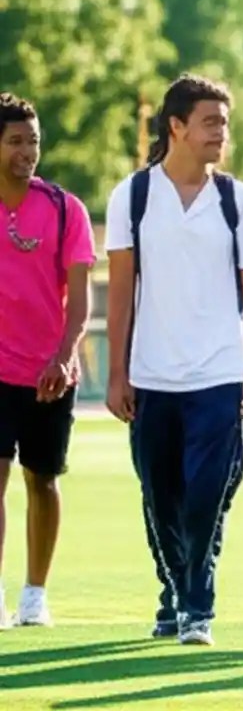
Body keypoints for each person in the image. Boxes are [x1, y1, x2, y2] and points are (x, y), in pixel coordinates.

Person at [104, 74, 243, 646]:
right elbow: (122, 291)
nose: (220, 133)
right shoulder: (130, 196)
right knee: (160, 497)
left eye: (224, 123)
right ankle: (174, 591)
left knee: (207, 495)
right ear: (176, 126)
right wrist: (116, 371)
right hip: (152, 375)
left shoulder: (238, 200)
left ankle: (196, 604)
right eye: (210, 122)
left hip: (220, 373)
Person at [0, 93, 95, 629]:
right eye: (16, 141)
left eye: (33, 140)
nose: (28, 151)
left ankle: (35, 595)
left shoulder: (64, 208)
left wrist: (62, 357)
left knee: (42, 479)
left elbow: (79, 298)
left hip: (49, 372)